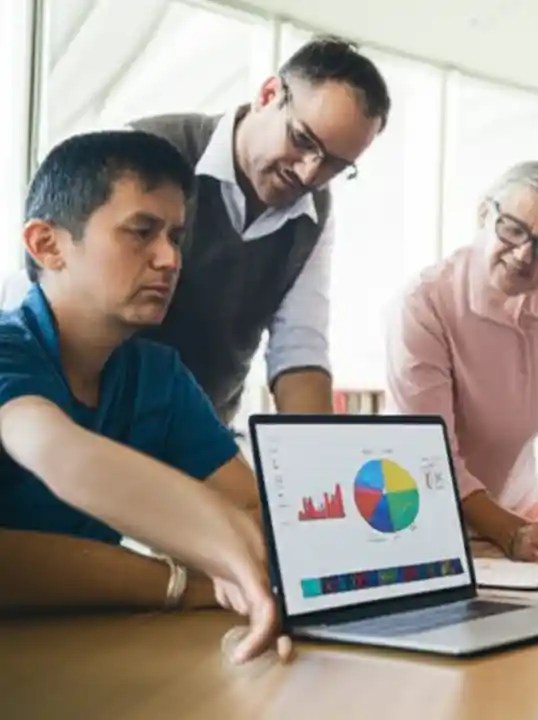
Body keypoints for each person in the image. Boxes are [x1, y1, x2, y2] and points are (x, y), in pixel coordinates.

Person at [0, 131, 288, 663]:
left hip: (85, 654)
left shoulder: (156, 375)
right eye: (141, 232)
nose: (170, 259)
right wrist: (186, 580)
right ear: (47, 245)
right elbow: (58, 454)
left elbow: (251, 512)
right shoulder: (7, 350)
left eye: (176, 236)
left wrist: (240, 560)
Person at [2, 37, 391, 423]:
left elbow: (299, 346)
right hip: (87, 413)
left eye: (335, 166)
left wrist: (315, 451)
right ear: (268, 94)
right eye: (302, 139)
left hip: (197, 424)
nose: (309, 172)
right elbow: (48, 284)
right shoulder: (146, 153)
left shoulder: (314, 210)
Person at [386, 162, 538, 566]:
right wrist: (510, 532)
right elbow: (429, 455)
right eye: (513, 229)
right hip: (427, 522)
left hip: (519, 517)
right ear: (485, 212)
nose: (524, 255)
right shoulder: (425, 302)